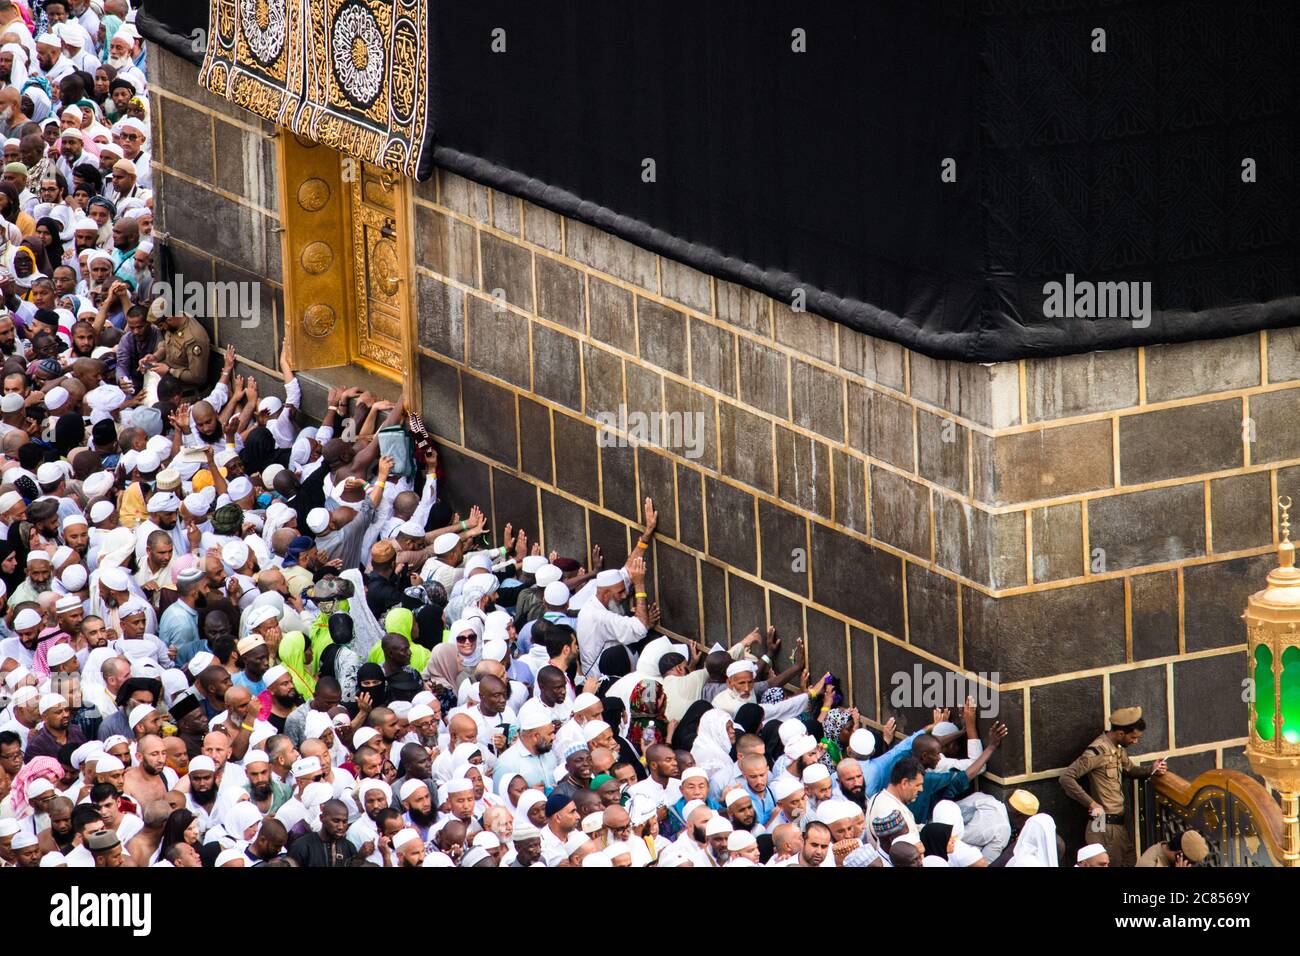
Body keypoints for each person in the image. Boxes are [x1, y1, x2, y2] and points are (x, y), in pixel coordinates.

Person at [1059, 706, 1167, 867]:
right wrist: (1091, 803)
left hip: (1119, 826)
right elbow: (1066, 778)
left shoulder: (1117, 748)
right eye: (1133, 737)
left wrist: (1151, 769)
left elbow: (1130, 769)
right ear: (1120, 733)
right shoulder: (1098, 751)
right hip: (1103, 825)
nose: (1135, 741)